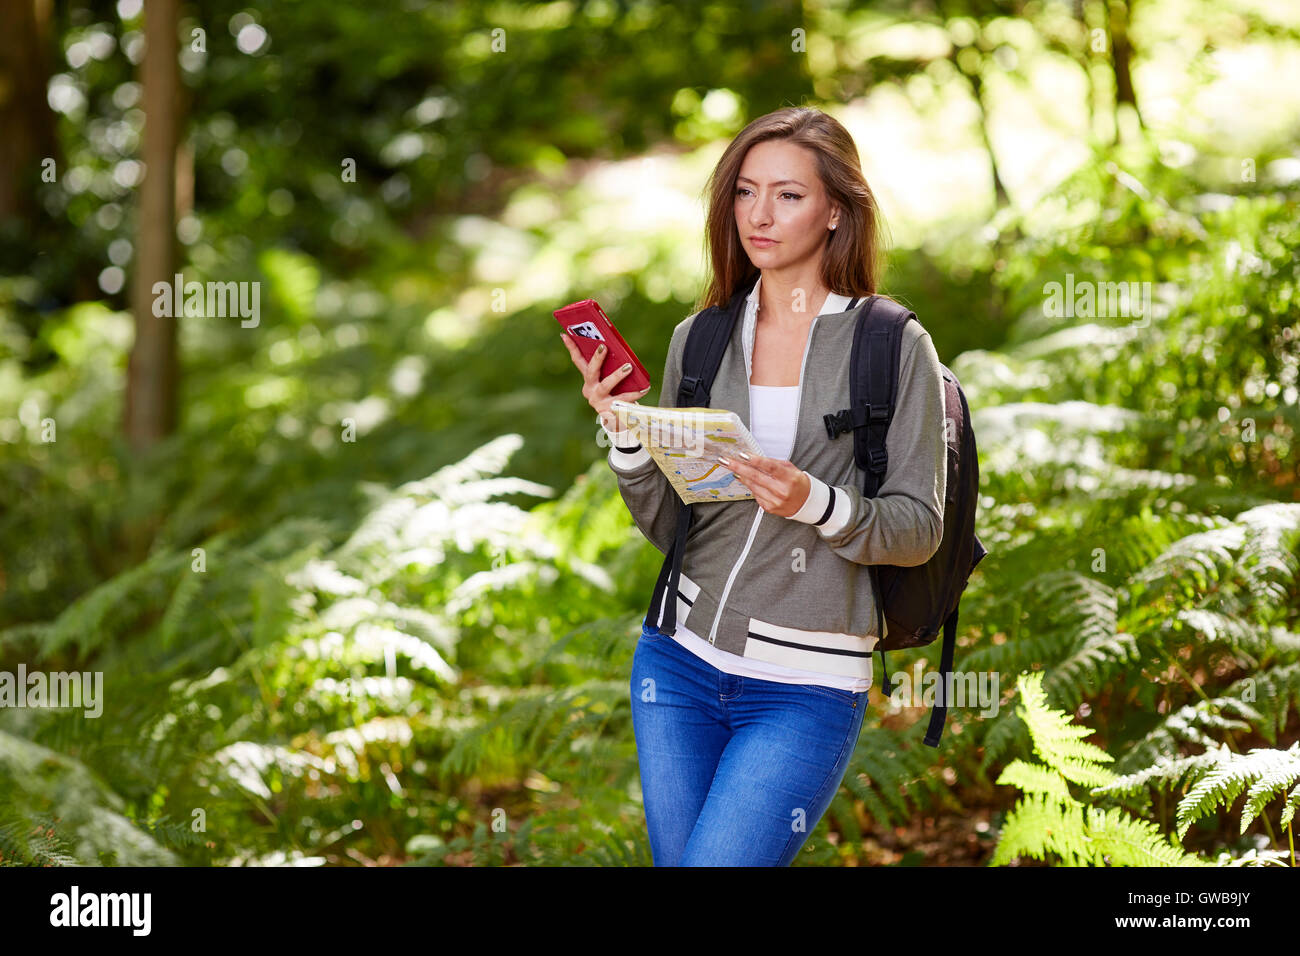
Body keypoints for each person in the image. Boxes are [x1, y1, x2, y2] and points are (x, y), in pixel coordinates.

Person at [561, 106, 947, 866]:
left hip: (803, 685)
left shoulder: (890, 343)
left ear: (837, 210)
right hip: (677, 662)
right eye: (744, 192)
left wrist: (815, 501)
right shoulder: (700, 336)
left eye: (788, 195)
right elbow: (675, 529)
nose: (759, 215)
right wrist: (625, 433)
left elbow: (919, 526)